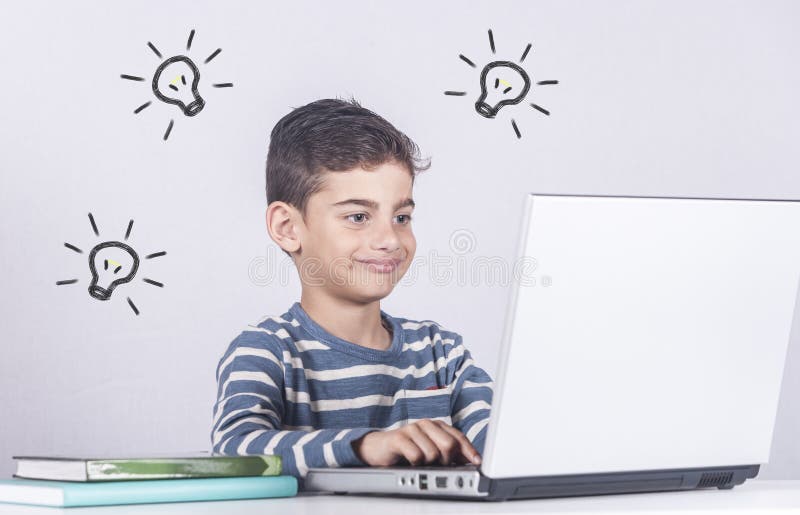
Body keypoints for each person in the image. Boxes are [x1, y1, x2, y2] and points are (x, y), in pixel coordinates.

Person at [210, 98, 493, 479]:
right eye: (358, 216)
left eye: (401, 217)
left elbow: (505, 443)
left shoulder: (440, 354)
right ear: (287, 228)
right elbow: (235, 450)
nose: (389, 239)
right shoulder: (268, 351)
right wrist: (364, 446)